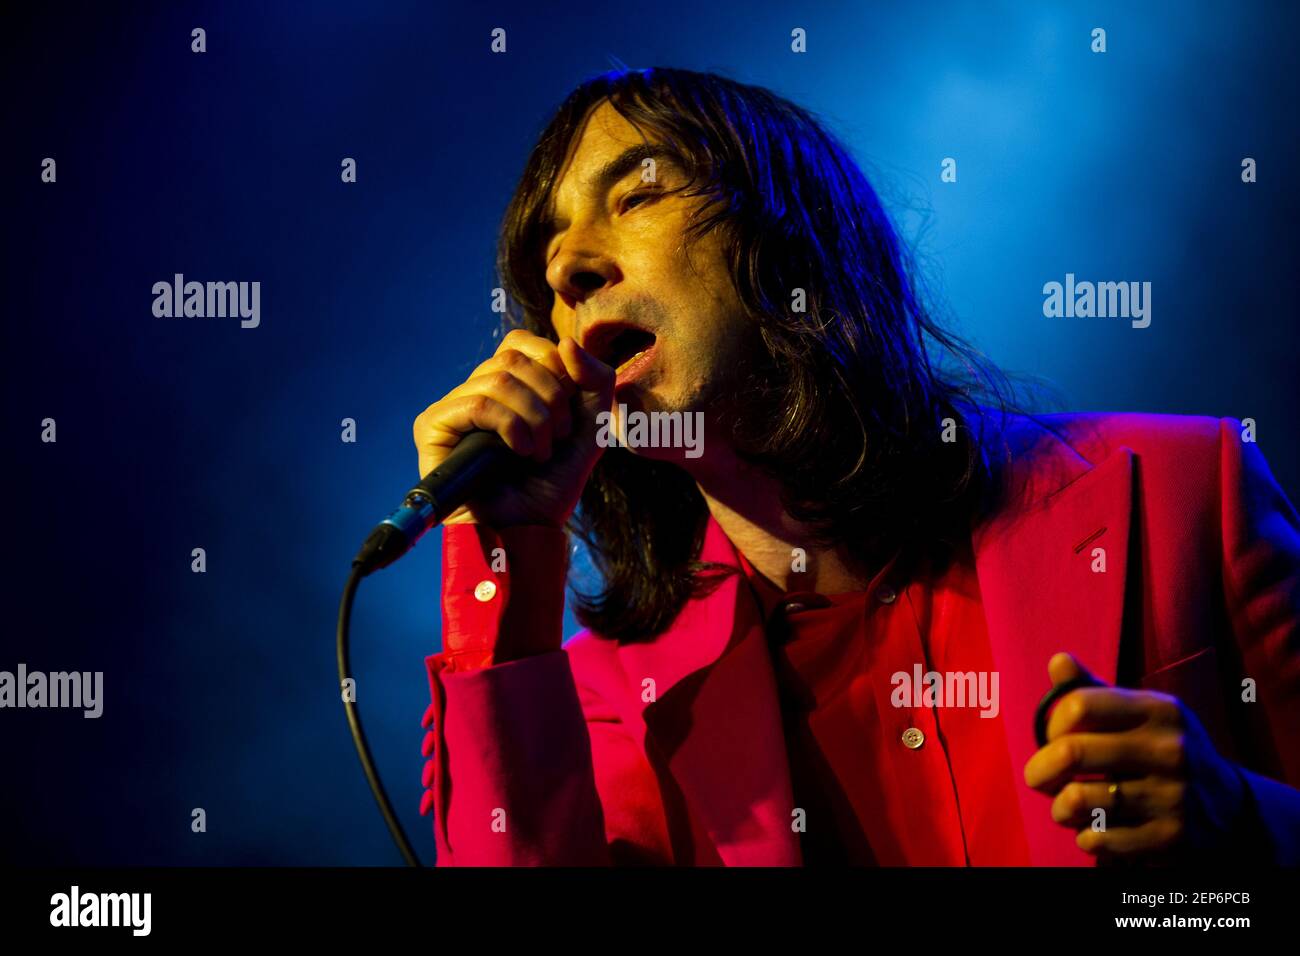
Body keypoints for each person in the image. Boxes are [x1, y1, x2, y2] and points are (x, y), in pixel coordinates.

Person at [411, 67, 1300, 865]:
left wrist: (1245, 824)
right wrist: (507, 555)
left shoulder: (1185, 488)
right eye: (548, 250)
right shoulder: (604, 695)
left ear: (796, 241)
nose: (566, 263)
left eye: (636, 195)